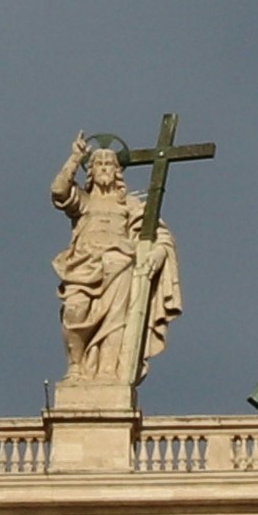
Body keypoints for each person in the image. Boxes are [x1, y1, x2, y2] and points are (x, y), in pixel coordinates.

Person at [50, 139, 179, 393]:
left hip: (120, 266)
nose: (104, 167)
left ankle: (109, 371)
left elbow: (160, 234)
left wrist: (157, 254)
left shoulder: (129, 204)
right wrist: (75, 158)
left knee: (116, 321)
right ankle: (76, 366)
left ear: (118, 171)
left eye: (109, 163)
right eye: (99, 163)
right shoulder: (84, 201)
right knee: (74, 311)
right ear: (91, 170)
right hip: (82, 265)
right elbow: (59, 191)